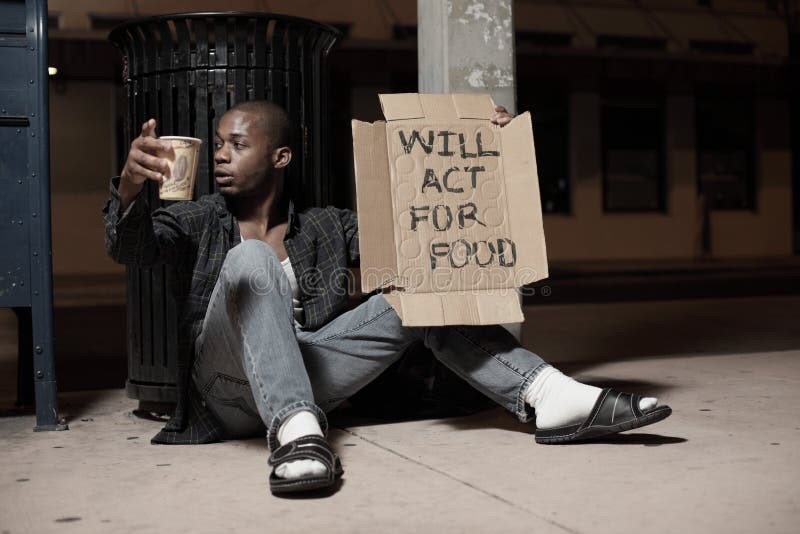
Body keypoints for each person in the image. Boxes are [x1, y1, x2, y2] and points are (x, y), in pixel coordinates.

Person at [103, 100, 671, 495]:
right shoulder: (199, 219)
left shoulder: (326, 227)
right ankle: (299, 436)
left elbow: (431, 235)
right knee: (249, 260)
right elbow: (133, 248)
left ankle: (549, 396)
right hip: (227, 391)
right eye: (219, 144)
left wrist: (488, 150)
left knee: (416, 283)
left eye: (238, 143)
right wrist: (131, 184)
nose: (221, 154)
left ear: (280, 157)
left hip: (313, 373)